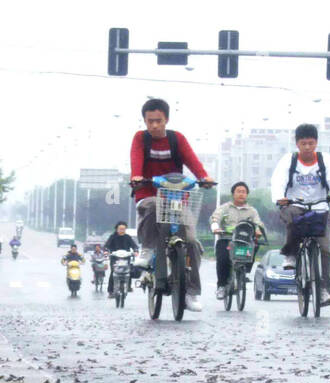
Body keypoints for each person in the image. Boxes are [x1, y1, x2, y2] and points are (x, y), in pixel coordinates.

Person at [130, 98, 216, 312]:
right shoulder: (140, 138)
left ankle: (192, 292)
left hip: (176, 198)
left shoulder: (177, 139)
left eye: (158, 121)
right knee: (151, 206)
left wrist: (203, 176)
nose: (154, 125)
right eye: (150, 121)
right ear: (145, 121)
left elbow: (192, 160)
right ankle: (148, 249)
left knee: (193, 242)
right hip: (148, 192)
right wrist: (136, 176)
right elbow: (136, 159)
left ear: (166, 119)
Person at [270, 123, 330, 308]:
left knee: (325, 249)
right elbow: (278, 180)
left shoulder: (325, 160)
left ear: (316, 143)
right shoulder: (289, 160)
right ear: (297, 144)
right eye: (303, 143)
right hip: (294, 204)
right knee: (294, 219)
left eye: (311, 143)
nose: (307, 147)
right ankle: (291, 254)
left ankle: (323, 290)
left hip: (319, 207)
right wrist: (279, 198)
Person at [209, 181, 266, 300]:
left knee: (254, 246)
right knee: (223, 259)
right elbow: (216, 218)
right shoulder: (225, 208)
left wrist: (258, 230)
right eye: (239, 191)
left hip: (244, 241)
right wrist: (215, 227)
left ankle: (243, 271)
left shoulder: (252, 211)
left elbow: (258, 223)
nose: (241, 194)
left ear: (247, 195)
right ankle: (221, 286)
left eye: (244, 192)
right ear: (233, 194)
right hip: (226, 239)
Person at [104, 221, 137, 298]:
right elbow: (107, 245)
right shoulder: (112, 237)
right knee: (113, 273)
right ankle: (111, 291)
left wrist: (135, 251)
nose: (122, 230)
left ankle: (128, 287)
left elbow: (134, 245)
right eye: (120, 229)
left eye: (123, 229)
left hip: (126, 258)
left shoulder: (128, 237)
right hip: (115, 258)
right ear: (117, 229)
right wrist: (106, 251)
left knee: (129, 271)